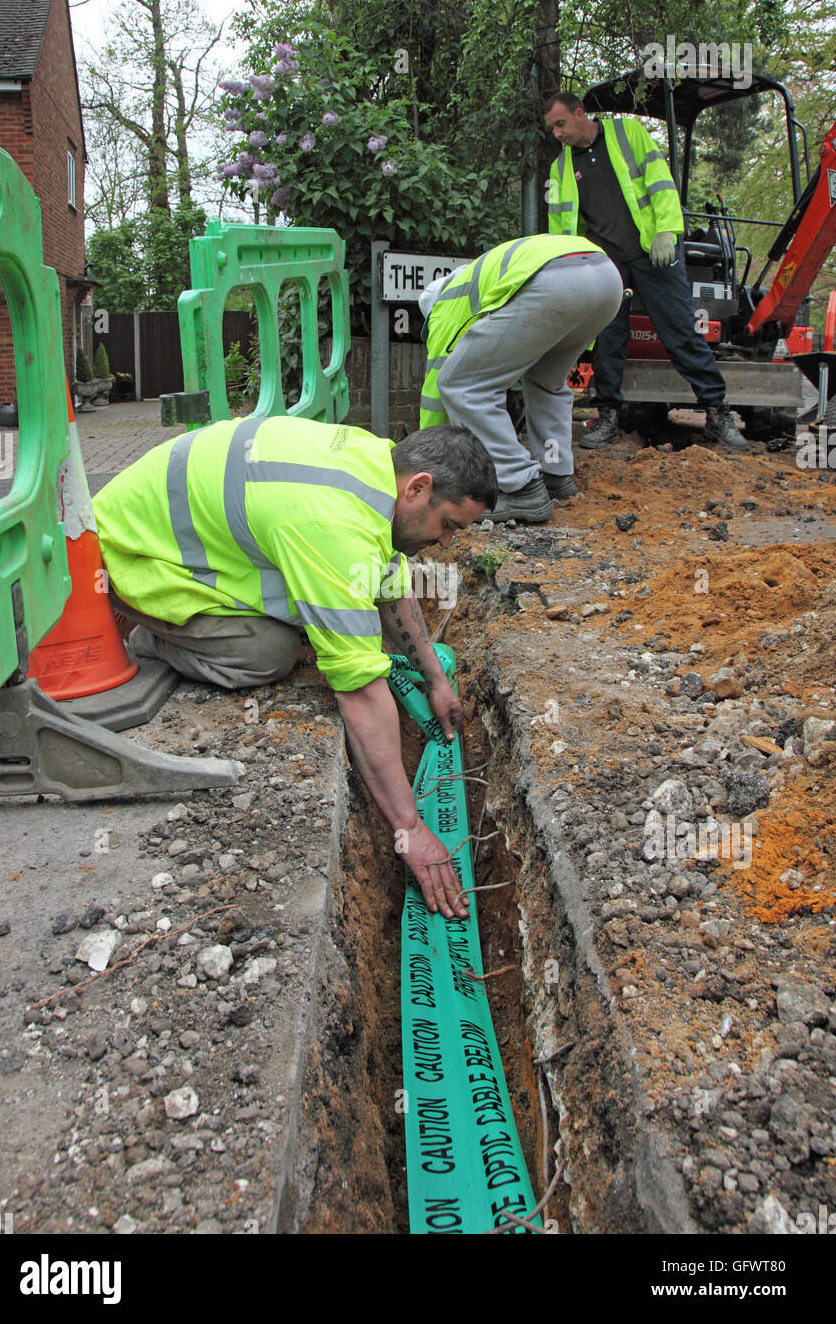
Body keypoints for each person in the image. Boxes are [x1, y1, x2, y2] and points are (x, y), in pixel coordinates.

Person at [93, 415, 498, 922]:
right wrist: (409, 829)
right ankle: (153, 637)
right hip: (130, 553)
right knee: (270, 652)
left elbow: (389, 582)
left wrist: (437, 681)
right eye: (449, 526)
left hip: (173, 532)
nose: (445, 545)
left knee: (317, 618)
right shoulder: (333, 523)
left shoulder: (374, 465)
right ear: (419, 488)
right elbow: (360, 691)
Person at [543, 91, 749, 453]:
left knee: (681, 333)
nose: (557, 134)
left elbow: (660, 182)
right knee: (608, 339)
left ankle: (718, 414)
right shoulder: (560, 168)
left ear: (579, 114)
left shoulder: (628, 134)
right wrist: (569, 267)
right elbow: (562, 225)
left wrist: (667, 229)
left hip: (653, 252)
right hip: (605, 265)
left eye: (560, 124)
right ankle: (607, 418)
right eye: (552, 128)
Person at [418, 233, 623, 523]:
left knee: (462, 384)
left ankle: (519, 486)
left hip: (555, 282)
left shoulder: (447, 304)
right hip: (605, 278)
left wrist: (428, 465)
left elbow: (438, 390)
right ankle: (555, 475)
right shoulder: (478, 275)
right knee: (546, 382)